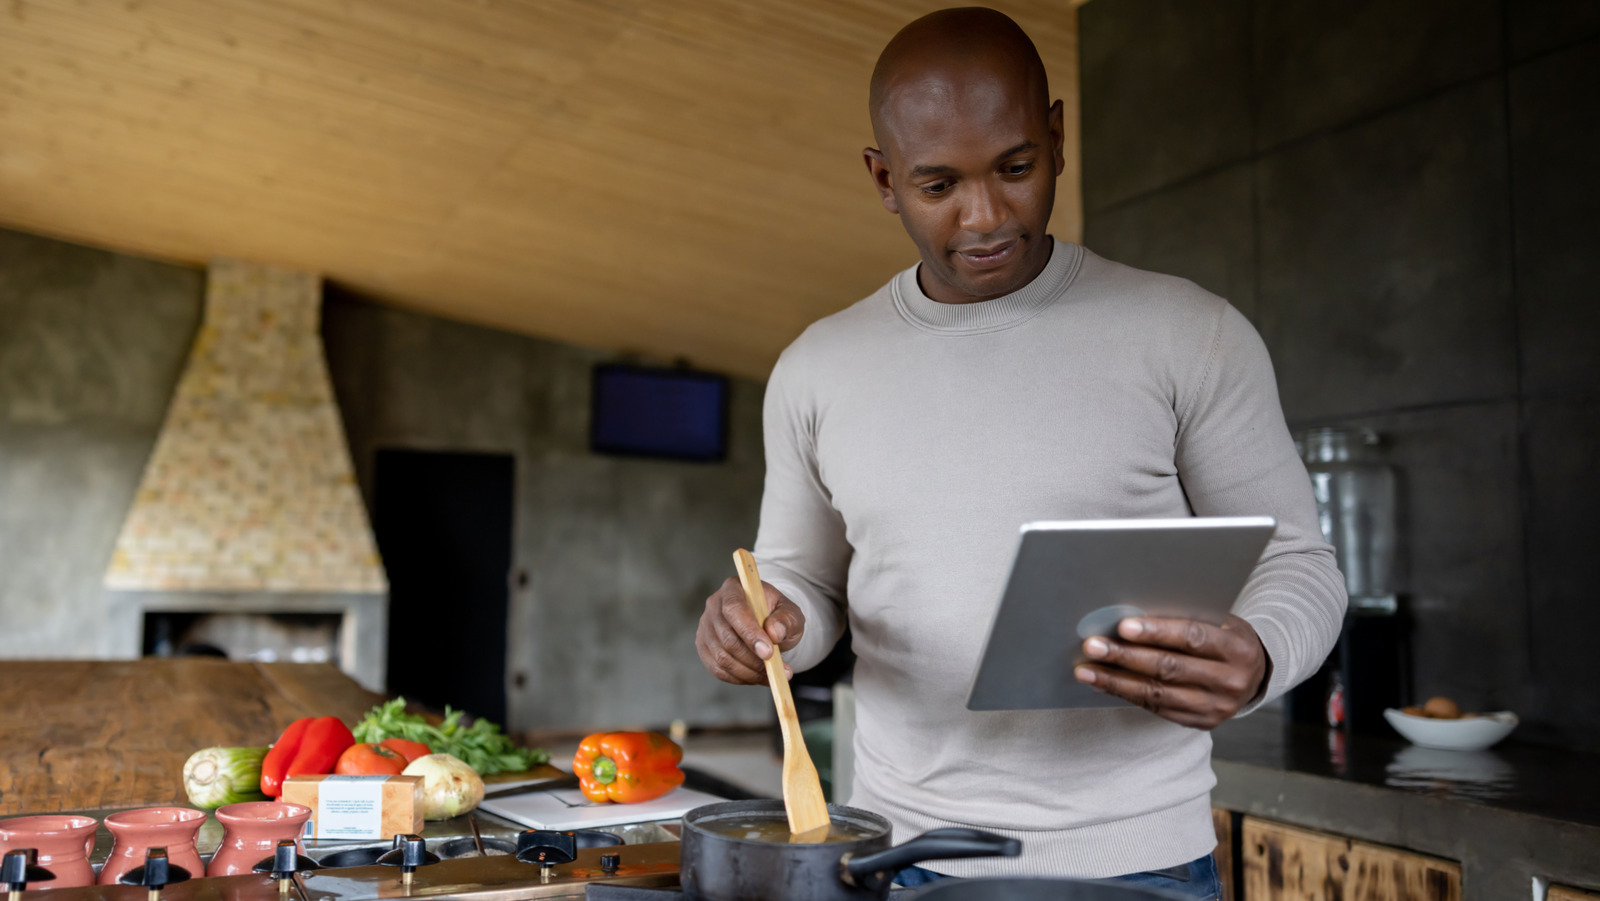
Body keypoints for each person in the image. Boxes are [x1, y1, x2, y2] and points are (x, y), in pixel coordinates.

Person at [694, 7, 1346, 897]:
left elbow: (1299, 561)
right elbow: (803, 580)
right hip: (898, 857)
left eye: (1016, 167)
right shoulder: (817, 368)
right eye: (938, 186)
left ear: (1058, 136)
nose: (987, 215)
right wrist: (765, 622)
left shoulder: (1191, 333)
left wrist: (1262, 651)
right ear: (883, 178)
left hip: (1142, 866)